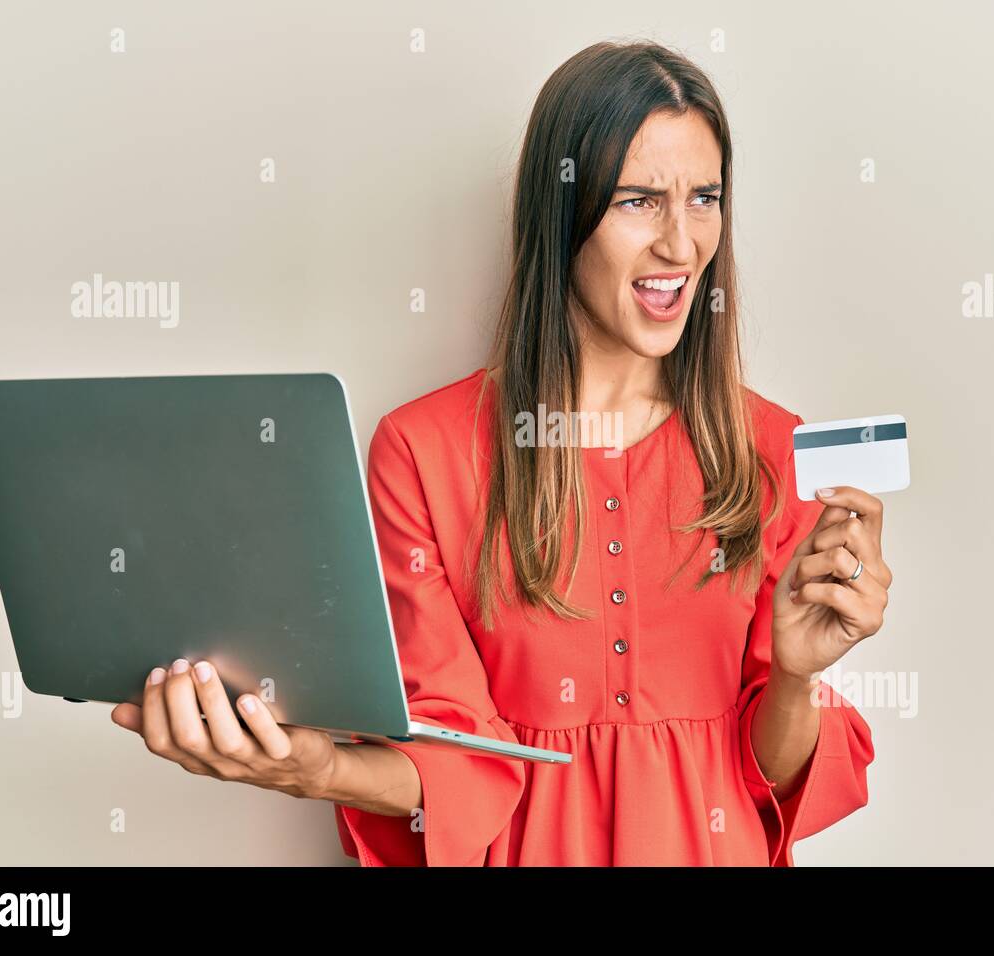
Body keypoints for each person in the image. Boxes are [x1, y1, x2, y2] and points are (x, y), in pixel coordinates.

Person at [111, 39, 891, 866]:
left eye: (704, 197)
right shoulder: (424, 452)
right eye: (637, 200)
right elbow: (458, 758)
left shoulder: (776, 451)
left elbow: (767, 777)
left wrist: (799, 676)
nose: (680, 244)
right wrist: (317, 768)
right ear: (562, 214)